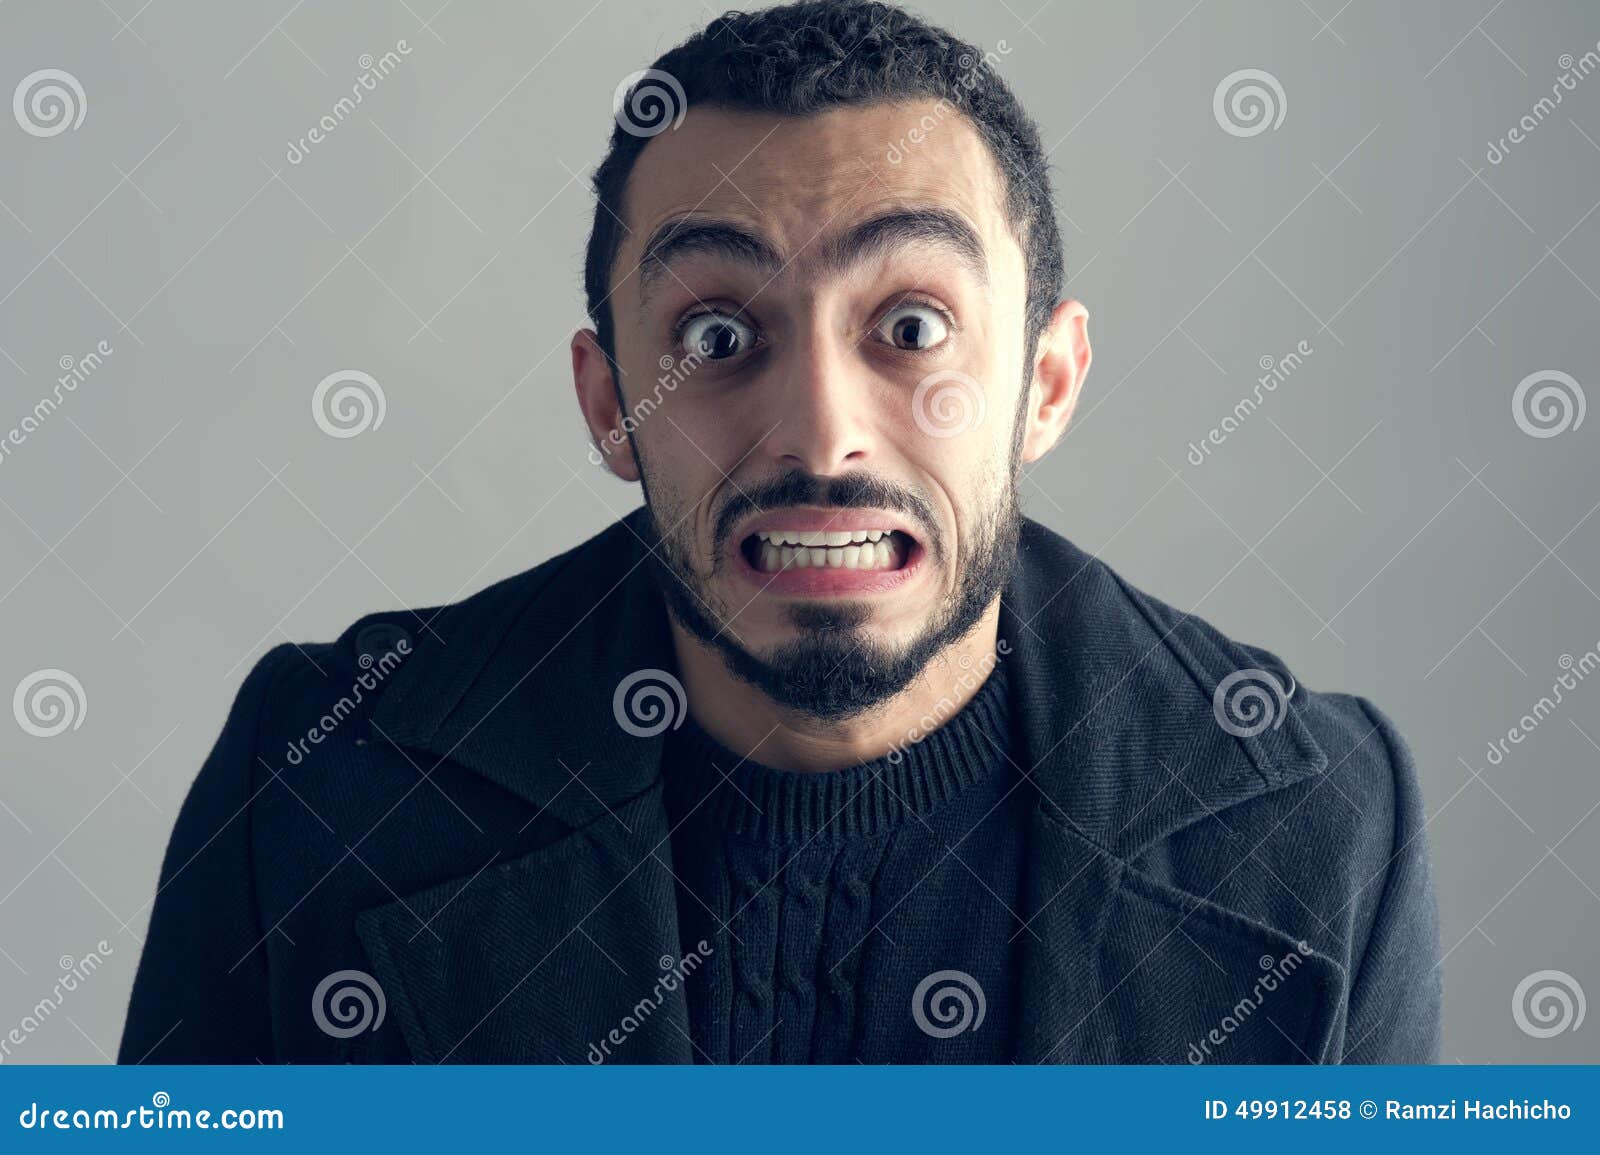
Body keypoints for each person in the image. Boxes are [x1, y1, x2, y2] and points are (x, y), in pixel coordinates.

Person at [119, 0, 1441, 1065]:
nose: (819, 435)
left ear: (1045, 383)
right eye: (715, 337)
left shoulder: (1319, 822)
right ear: (610, 405)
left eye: (911, 328)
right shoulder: (321, 779)